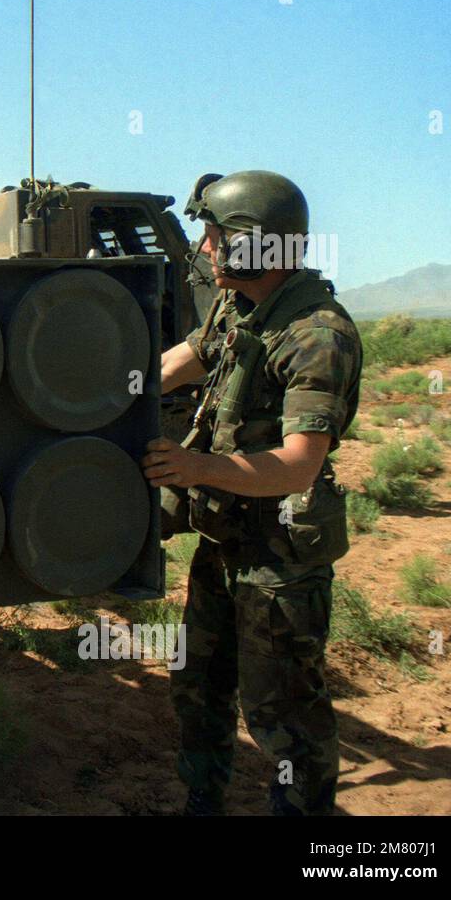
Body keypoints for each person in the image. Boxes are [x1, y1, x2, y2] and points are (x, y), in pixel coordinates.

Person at [142, 170, 362, 816]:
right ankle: (202, 802)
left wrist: (192, 467)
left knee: (284, 710)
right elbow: (190, 355)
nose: (204, 250)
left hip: (280, 559)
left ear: (254, 245)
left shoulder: (316, 334)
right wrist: (113, 393)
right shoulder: (239, 306)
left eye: (214, 237)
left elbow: (297, 466)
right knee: (200, 687)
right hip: (228, 538)